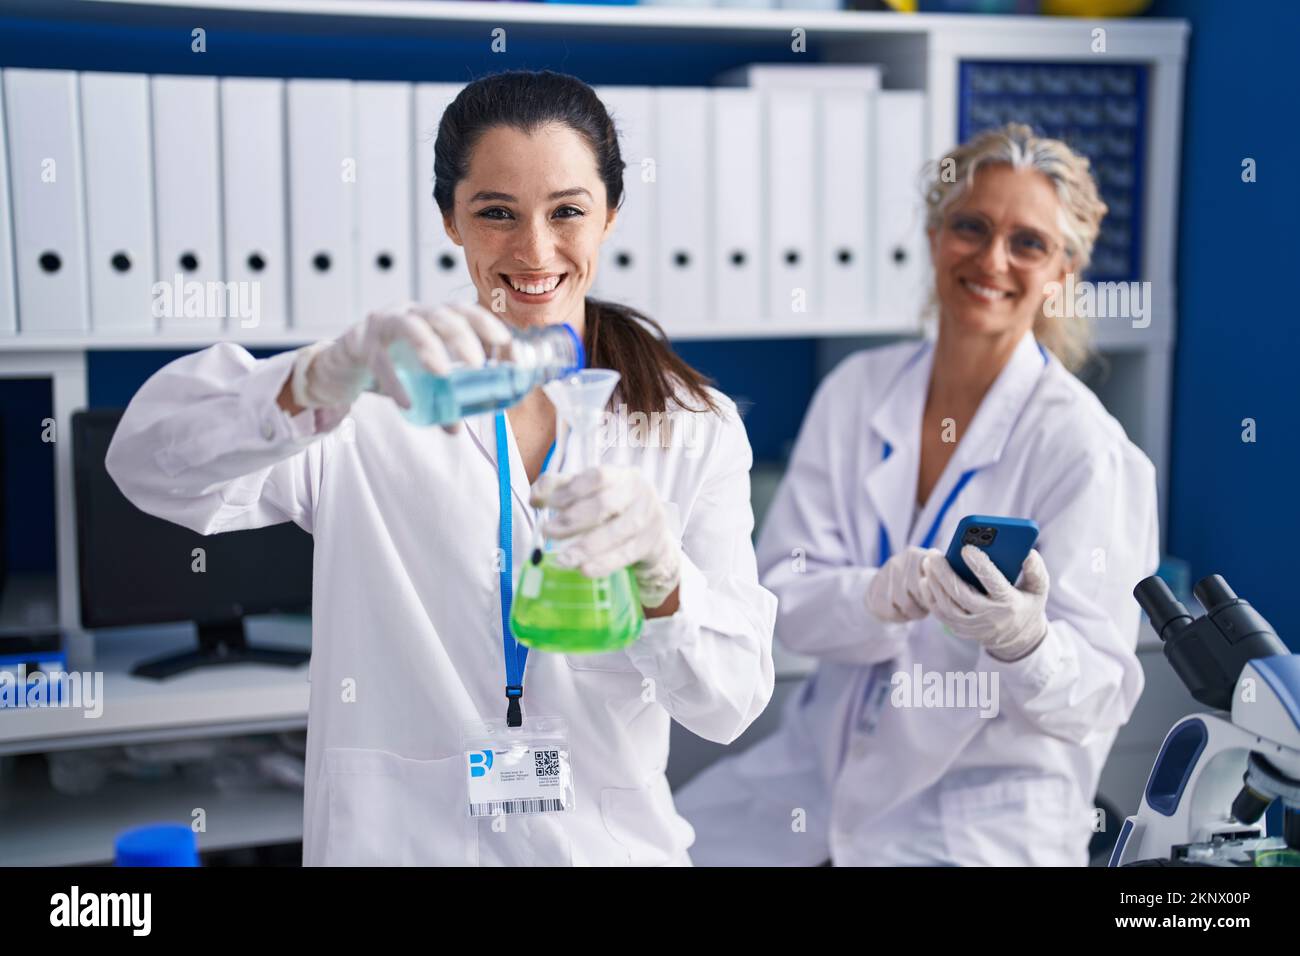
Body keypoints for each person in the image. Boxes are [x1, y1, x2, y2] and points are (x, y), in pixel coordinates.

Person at [106, 70, 775, 866]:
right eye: (497, 213)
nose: (534, 251)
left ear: (611, 216)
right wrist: (317, 377)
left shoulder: (691, 427)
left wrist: (664, 584)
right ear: (451, 220)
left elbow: (729, 701)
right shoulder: (372, 396)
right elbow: (149, 464)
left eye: (568, 211)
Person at [675, 123, 1159, 866]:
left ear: (1063, 271)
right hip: (814, 777)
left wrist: (1025, 641)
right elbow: (783, 598)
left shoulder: (1089, 454)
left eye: (1028, 243)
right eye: (971, 226)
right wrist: (872, 597)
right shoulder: (857, 392)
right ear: (935, 238)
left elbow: (1096, 696)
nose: (992, 259)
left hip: (979, 819)